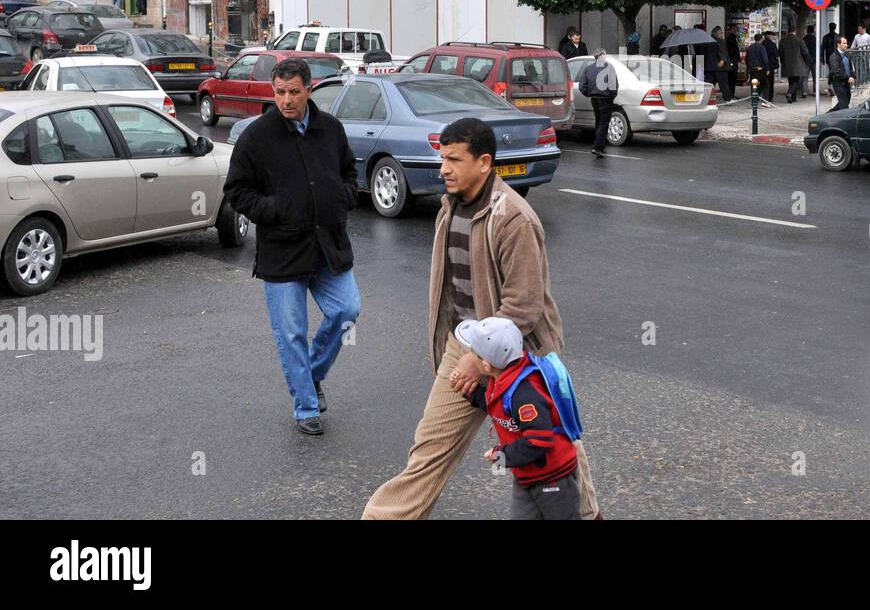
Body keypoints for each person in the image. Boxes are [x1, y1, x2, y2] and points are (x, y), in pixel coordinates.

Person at [363, 119, 598, 519]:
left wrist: (478, 358)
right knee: (429, 450)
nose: (444, 168)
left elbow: (523, 305)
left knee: (558, 449)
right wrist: (459, 350)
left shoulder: (514, 218)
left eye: (454, 160)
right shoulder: (449, 207)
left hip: (520, 358)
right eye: (443, 158)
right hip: (466, 348)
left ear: (484, 162)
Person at [222, 58, 362, 436]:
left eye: (294, 92)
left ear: (309, 90)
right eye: (280, 92)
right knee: (292, 333)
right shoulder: (257, 136)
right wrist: (276, 209)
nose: (286, 100)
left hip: (328, 245)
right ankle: (305, 406)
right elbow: (236, 191)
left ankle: (310, 376)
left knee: (347, 310)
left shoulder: (330, 129)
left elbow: (349, 173)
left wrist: (342, 197)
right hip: (282, 252)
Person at [457, 317, 581, 520]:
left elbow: (539, 441)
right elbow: (496, 406)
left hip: (553, 478)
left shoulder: (524, 393)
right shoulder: (502, 379)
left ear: (486, 365)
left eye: (474, 353)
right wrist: (469, 392)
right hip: (526, 476)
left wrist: (502, 455)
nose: (470, 356)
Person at [579, 50, 619, 158]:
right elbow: (614, 86)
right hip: (606, 99)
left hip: (594, 99)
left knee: (598, 121)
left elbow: (582, 86)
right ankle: (598, 147)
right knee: (603, 123)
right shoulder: (609, 67)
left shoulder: (588, 68)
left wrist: (589, 93)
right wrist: (612, 96)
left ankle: (597, 145)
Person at [703, 27, 733, 102]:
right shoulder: (720, 41)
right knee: (723, 84)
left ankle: (706, 99)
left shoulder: (707, 41)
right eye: (721, 33)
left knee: (709, 84)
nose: (722, 34)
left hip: (709, 67)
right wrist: (722, 61)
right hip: (719, 67)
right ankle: (728, 99)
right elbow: (722, 52)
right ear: (716, 34)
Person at [779, 27, 808, 103]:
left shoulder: (783, 41)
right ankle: (789, 94)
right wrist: (806, 61)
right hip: (797, 63)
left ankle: (793, 98)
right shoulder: (799, 40)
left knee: (791, 80)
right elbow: (805, 52)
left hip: (787, 63)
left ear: (788, 32)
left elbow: (780, 53)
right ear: (795, 31)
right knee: (796, 80)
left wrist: (783, 62)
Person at [826, 36, 855, 110]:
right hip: (838, 84)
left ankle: (829, 115)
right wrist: (847, 78)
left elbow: (851, 67)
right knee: (844, 106)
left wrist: (852, 76)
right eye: (844, 43)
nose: (846, 45)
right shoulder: (834, 56)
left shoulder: (847, 54)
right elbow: (836, 71)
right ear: (838, 44)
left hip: (847, 83)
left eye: (846, 43)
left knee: (844, 103)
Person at [745, 33, 770, 100]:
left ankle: (754, 98)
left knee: (753, 84)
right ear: (761, 39)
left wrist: (749, 67)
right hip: (760, 69)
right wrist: (767, 69)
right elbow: (765, 59)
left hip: (752, 69)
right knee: (765, 84)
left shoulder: (750, 47)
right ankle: (765, 100)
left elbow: (747, 59)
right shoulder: (762, 47)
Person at [762, 31, 780, 101]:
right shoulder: (772, 44)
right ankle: (769, 97)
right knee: (770, 82)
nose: (773, 37)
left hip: (763, 66)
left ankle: (764, 96)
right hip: (771, 65)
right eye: (772, 36)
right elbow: (776, 54)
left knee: (764, 82)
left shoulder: (762, 44)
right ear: (768, 36)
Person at [725, 25, 741, 99]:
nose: (736, 31)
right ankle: (730, 94)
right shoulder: (731, 39)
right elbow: (732, 51)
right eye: (734, 29)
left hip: (732, 61)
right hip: (732, 61)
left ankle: (731, 94)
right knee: (732, 78)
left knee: (732, 79)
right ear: (730, 30)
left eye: (736, 29)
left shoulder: (732, 38)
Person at [802, 25, 818, 96]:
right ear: (813, 30)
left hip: (806, 60)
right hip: (814, 60)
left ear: (807, 30)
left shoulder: (804, 39)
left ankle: (804, 92)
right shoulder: (816, 39)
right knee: (815, 77)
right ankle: (815, 92)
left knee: (805, 77)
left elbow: (802, 50)